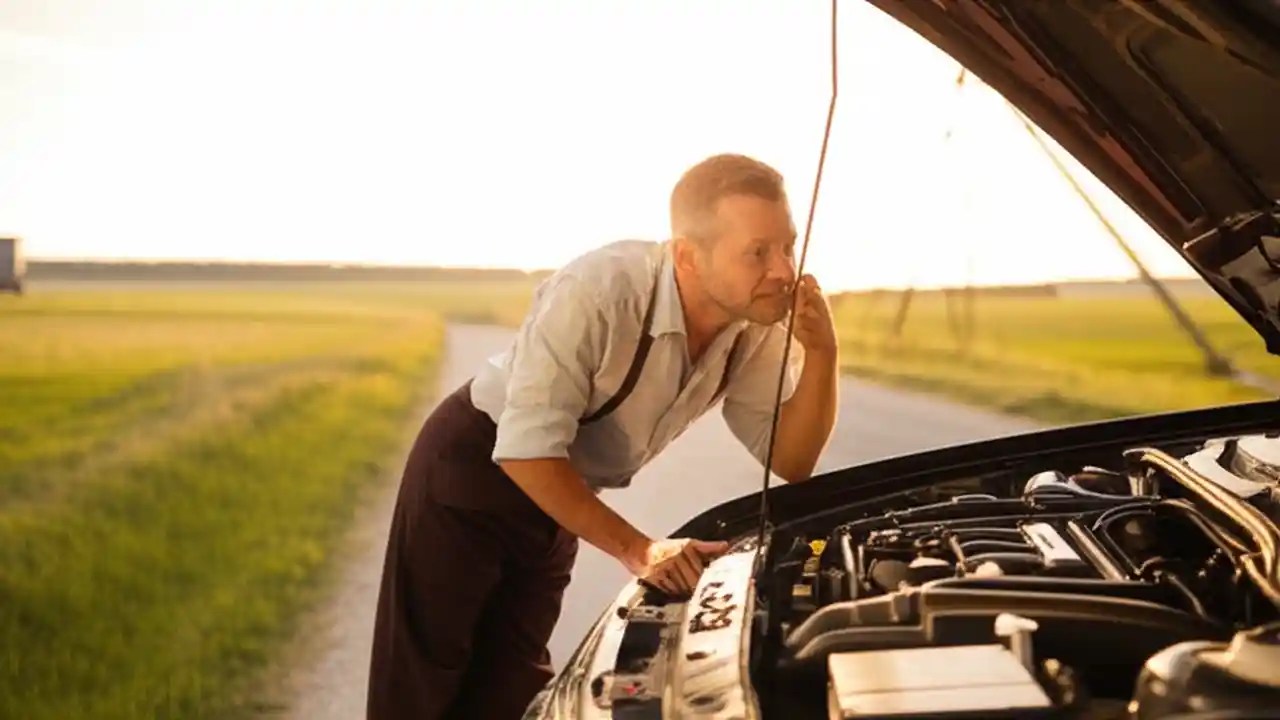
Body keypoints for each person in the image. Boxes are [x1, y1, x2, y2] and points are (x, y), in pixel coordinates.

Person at [366, 152, 840, 719]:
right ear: (688, 257)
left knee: (513, 690)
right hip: (476, 468)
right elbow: (524, 448)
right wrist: (641, 550)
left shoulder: (756, 325)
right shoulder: (601, 290)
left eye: (787, 245)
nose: (784, 270)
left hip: (560, 491)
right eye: (758, 252)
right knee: (423, 689)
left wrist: (823, 355)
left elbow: (791, 459)